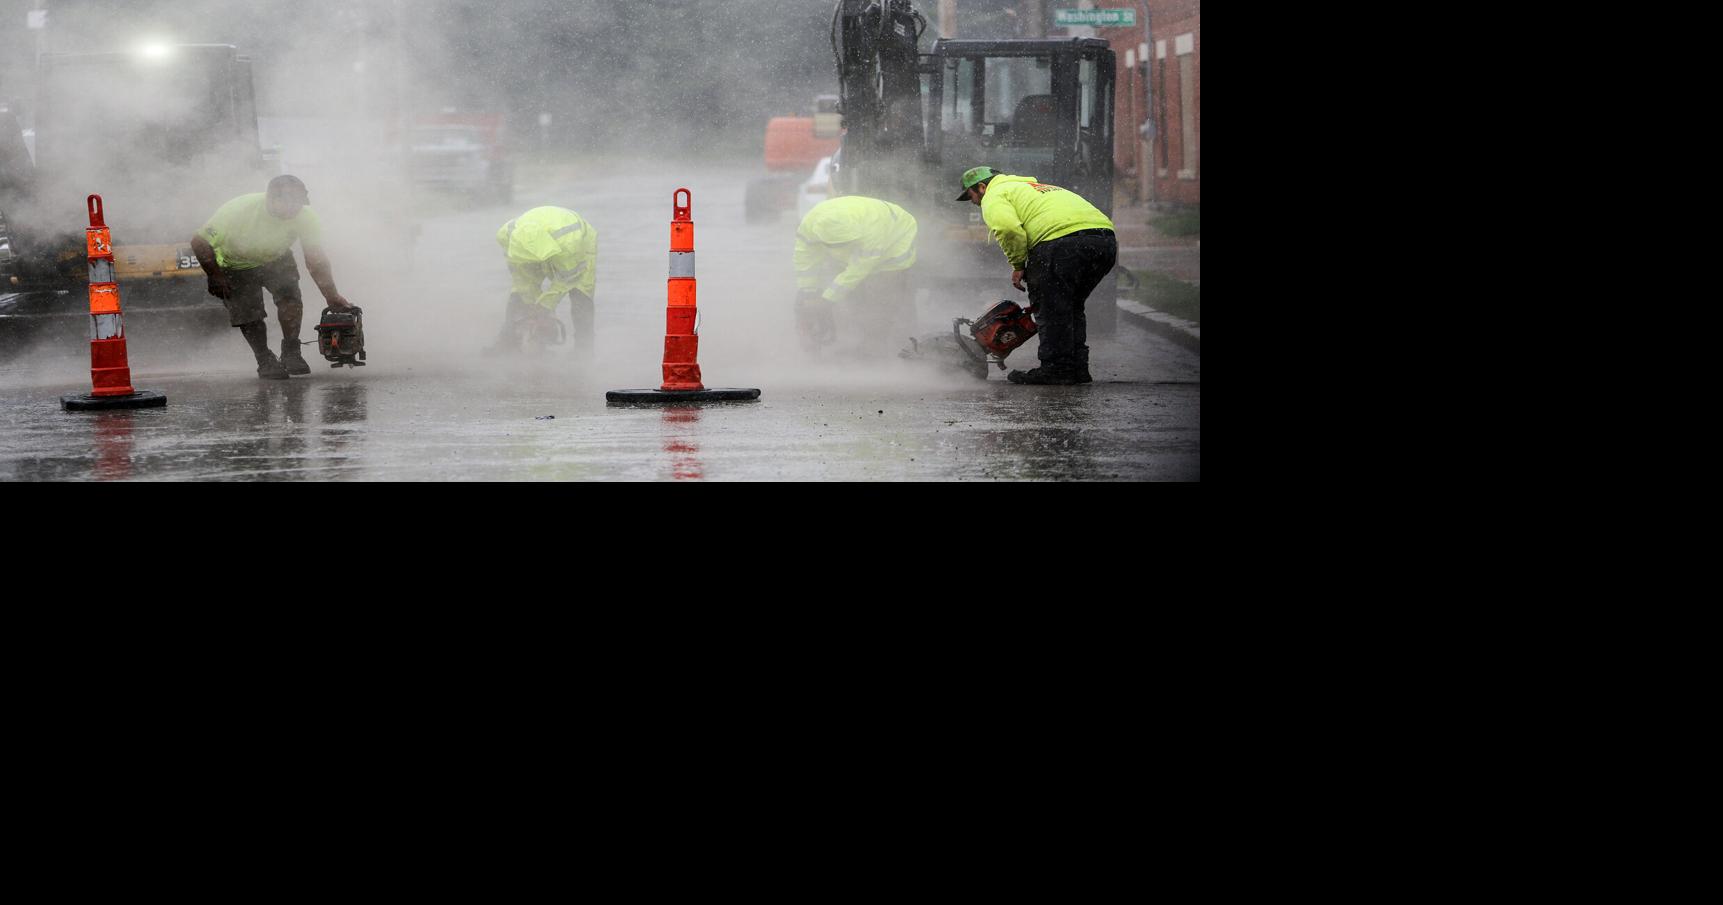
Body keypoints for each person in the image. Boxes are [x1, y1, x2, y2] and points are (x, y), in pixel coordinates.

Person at [956, 166, 1116, 385]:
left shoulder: (995, 194)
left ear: (982, 187)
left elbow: (1008, 228)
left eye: (971, 196)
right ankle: (1076, 368)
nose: (972, 202)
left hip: (1062, 243)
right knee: (1070, 306)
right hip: (1104, 243)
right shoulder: (1037, 187)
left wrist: (1018, 264)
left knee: (1050, 307)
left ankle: (1056, 369)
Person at [191, 175, 350, 379]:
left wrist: (331, 296)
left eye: (299, 205)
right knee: (250, 314)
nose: (295, 210)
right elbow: (199, 242)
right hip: (234, 263)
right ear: (271, 199)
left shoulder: (305, 216)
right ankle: (264, 358)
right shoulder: (238, 210)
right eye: (289, 205)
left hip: (276, 257)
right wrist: (215, 276)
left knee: (290, 299)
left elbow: (316, 260)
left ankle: (291, 351)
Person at [793, 195, 917, 351]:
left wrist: (826, 300)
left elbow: (857, 271)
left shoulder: (873, 232)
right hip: (864, 234)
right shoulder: (810, 224)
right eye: (834, 245)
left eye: (844, 244)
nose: (839, 248)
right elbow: (805, 259)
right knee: (853, 294)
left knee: (885, 291)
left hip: (895, 235)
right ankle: (858, 334)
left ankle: (884, 342)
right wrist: (808, 292)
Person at [485, 206, 598, 356]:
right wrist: (532, 305)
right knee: (520, 292)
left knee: (580, 293)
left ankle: (583, 351)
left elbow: (568, 279)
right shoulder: (506, 235)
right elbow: (521, 279)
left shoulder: (571, 243)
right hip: (537, 246)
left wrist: (545, 307)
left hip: (576, 249)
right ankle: (509, 340)